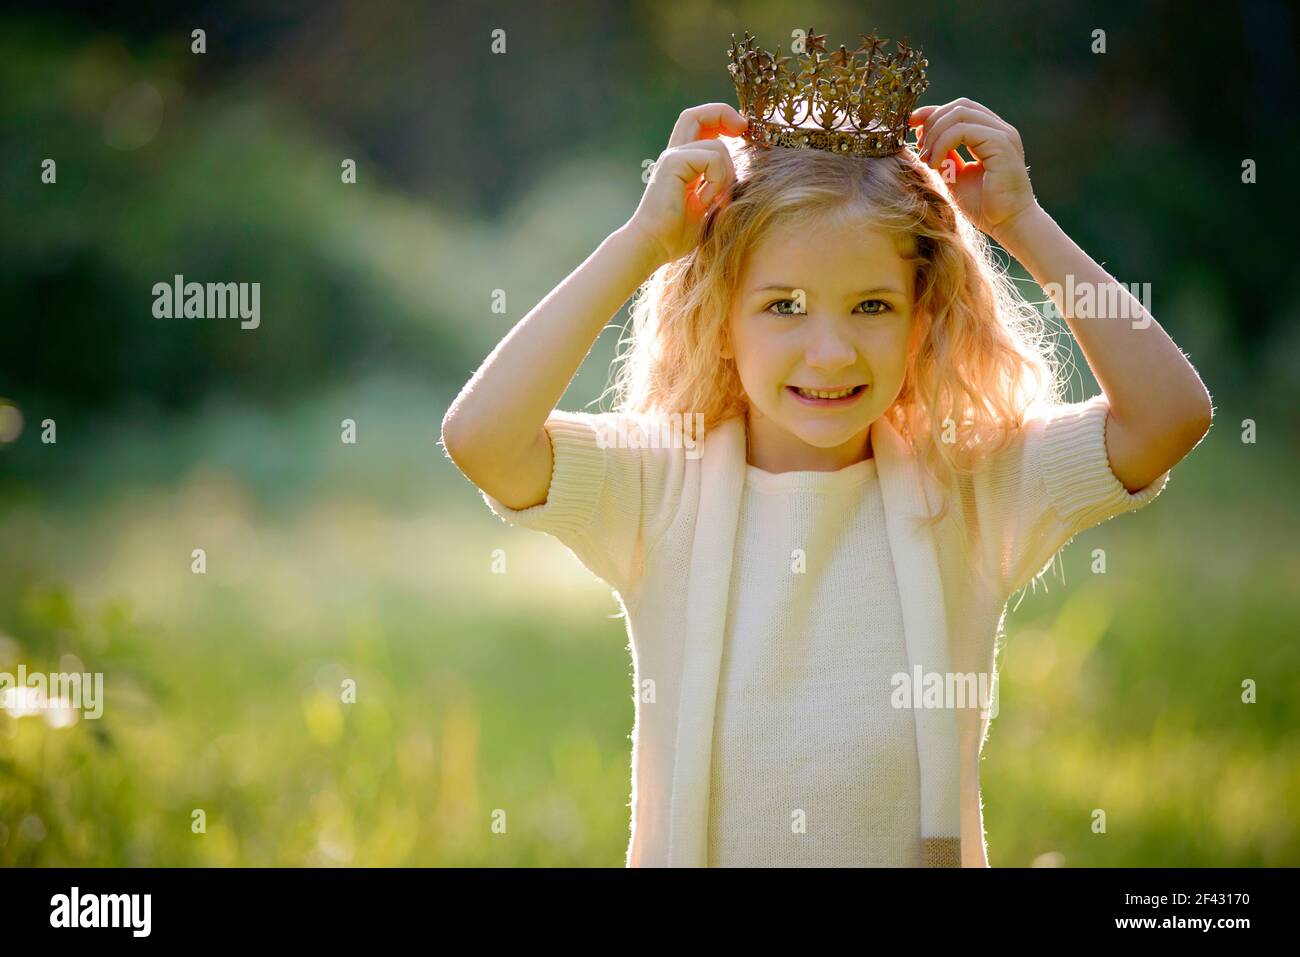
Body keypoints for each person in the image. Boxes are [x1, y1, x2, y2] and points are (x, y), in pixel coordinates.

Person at [441, 79, 1212, 866]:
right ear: (723, 322)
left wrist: (1023, 223)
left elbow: (1169, 416)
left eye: (872, 306)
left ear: (922, 319)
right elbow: (482, 438)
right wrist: (641, 240)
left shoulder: (968, 485)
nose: (832, 351)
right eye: (784, 306)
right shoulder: (660, 485)